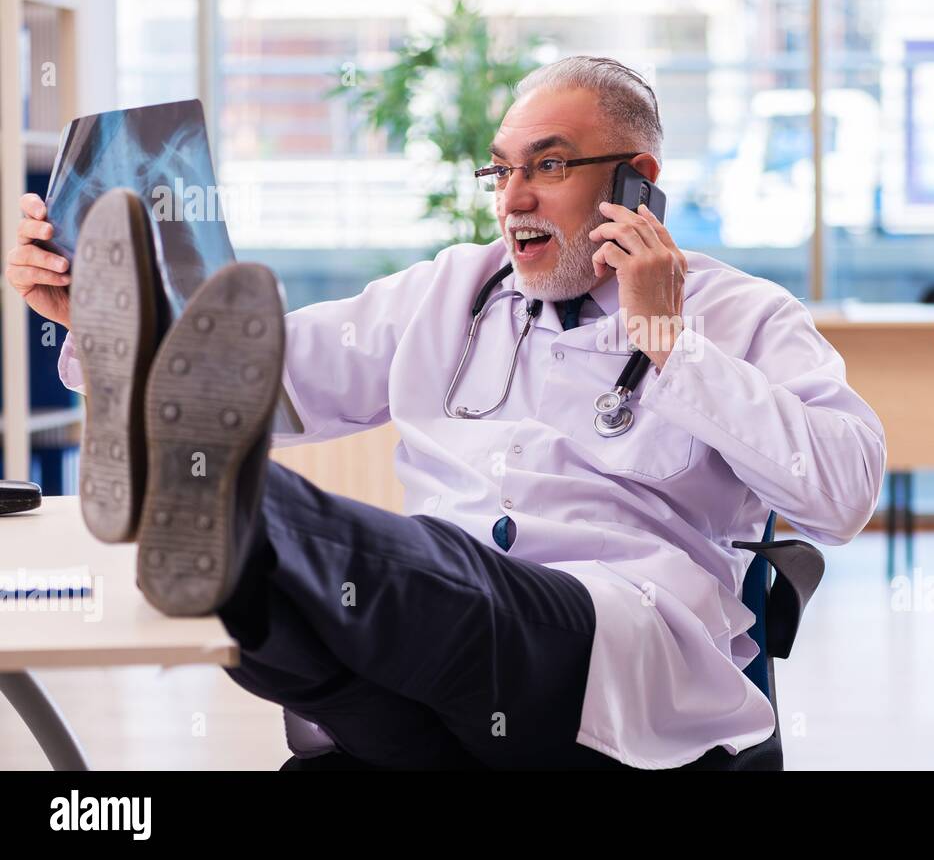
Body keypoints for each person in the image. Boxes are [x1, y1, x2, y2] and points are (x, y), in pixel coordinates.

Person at [5, 55, 887, 770]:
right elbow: (258, 381)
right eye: (501, 170)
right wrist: (96, 321)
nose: (512, 198)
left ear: (637, 180)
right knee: (274, 625)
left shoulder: (744, 315)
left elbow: (844, 492)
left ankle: (229, 503)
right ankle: (227, 518)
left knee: (403, 569)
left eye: (547, 165)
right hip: (429, 662)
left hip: (607, 638)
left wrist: (667, 337)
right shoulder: (451, 291)